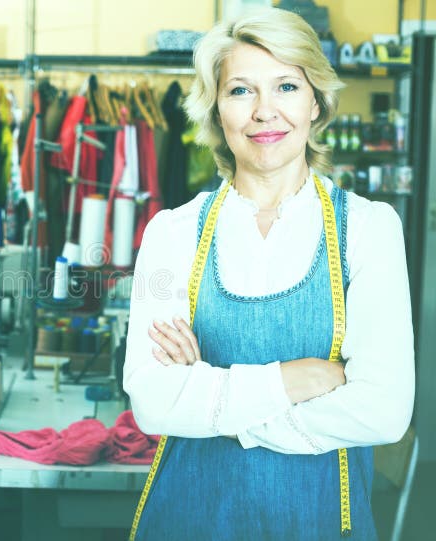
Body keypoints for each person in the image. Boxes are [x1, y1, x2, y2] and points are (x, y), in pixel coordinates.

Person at [124, 8, 414, 541]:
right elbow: (151, 400)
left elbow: (384, 411)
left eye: (285, 85)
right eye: (240, 91)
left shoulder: (372, 229)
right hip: (186, 523)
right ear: (216, 108)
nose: (264, 111)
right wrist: (302, 378)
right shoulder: (169, 233)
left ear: (316, 101)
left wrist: (211, 402)